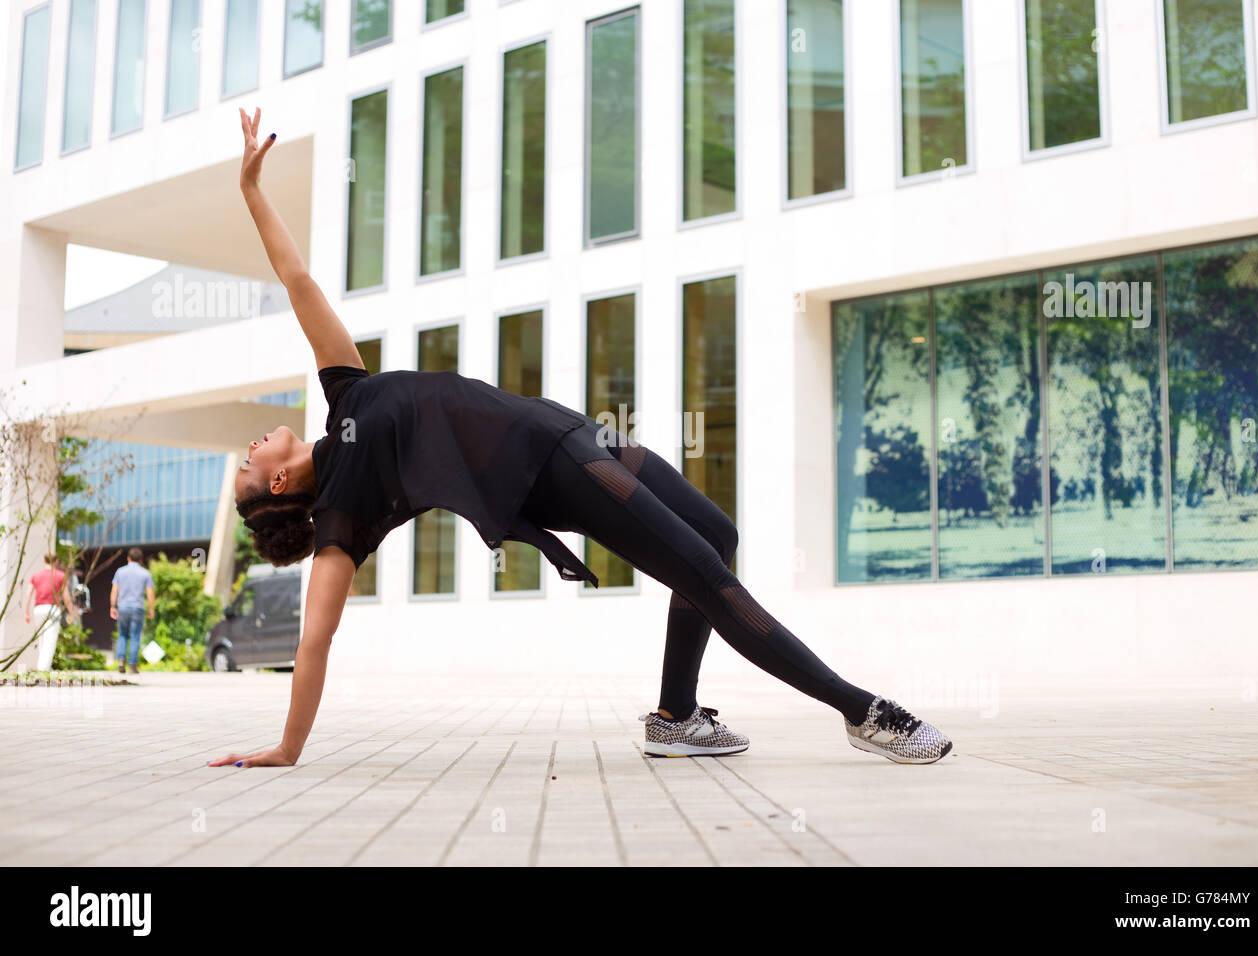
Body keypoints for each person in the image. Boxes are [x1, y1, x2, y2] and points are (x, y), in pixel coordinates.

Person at [208, 108, 953, 770]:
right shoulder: (342, 512)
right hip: (551, 469)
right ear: (277, 483)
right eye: (249, 463)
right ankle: (865, 713)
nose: (252, 444)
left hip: (564, 428)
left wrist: (251, 192)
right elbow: (314, 641)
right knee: (707, 577)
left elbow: (296, 276)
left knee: (715, 535)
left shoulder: (346, 390)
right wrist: (288, 748)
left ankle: (675, 716)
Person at [24, 553, 76, 672]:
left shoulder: (36, 575)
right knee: (50, 639)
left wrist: (26, 612)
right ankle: (43, 668)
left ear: (44, 560)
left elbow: (28, 594)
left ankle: (44, 666)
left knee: (41, 638)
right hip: (52, 609)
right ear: (56, 561)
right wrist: (71, 612)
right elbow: (66, 596)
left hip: (38, 609)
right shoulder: (60, 575)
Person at [110, 548, 155, 675]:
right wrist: (151, 609)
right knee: (135, 636)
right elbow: (150, 593)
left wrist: (113, 606)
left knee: (122, 635)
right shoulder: (145, 573)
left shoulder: (120, 572)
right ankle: (132, 666)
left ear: (128, 558)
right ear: (140, 560)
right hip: (137, 608)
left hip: (123, 607)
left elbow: (114, 590)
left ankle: (120, 661)